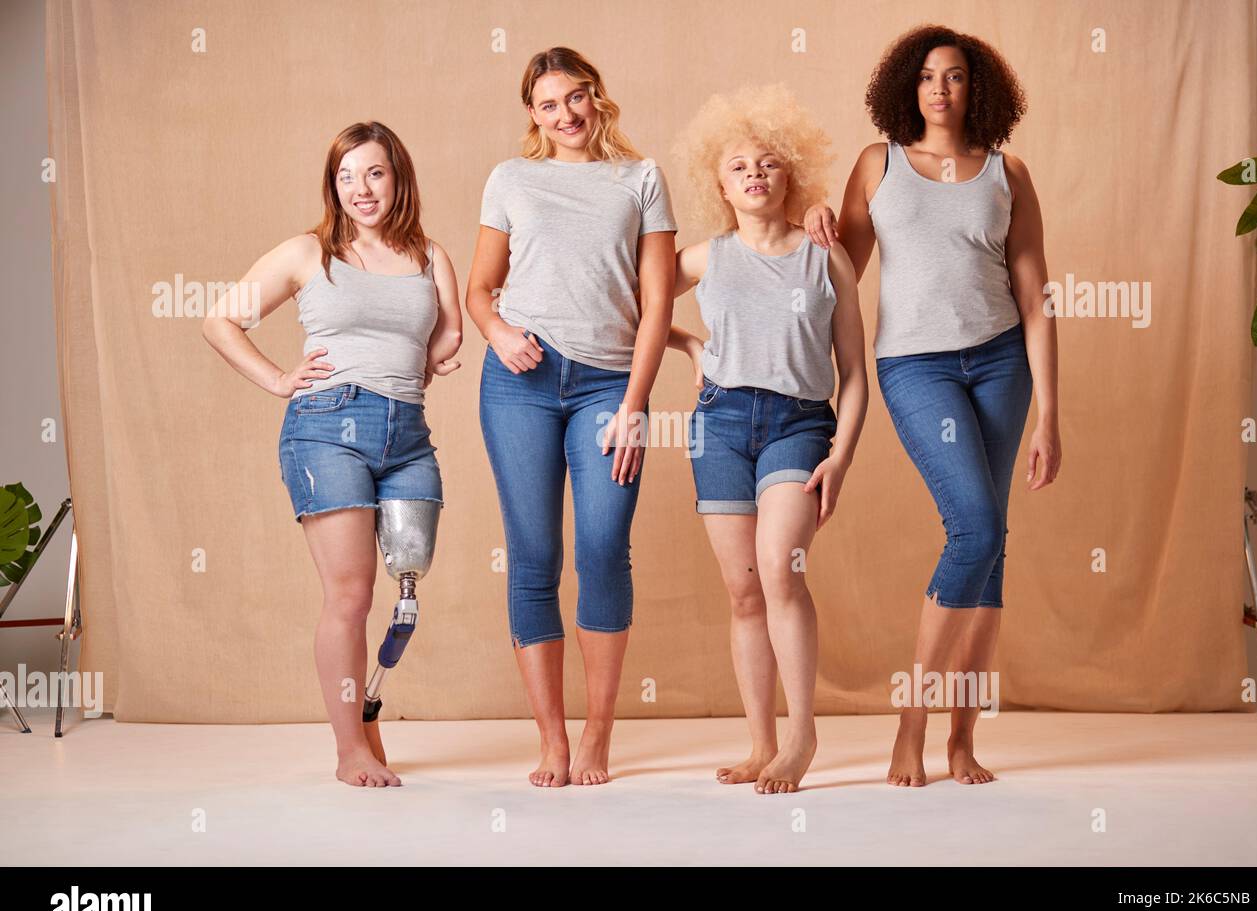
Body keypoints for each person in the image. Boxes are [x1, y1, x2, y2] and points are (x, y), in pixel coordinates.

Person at [805, 24, 1061, 786]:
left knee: (992, 553)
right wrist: (816, 226)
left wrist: (1051, 411)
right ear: (905, 89)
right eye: (926, 78)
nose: (940, 90)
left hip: (1002, 364)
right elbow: (843, 273)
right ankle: (910, 726)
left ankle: (961, 741)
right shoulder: (877, 164)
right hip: (915, 367)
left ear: (975, 88)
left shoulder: (1007, 173)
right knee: (974, 527)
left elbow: (1036, 300)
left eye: (953, 77)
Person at [202, 121, 463, 787]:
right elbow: (220, 320)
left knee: (407, 591)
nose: (361, 189)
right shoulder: (306, 252)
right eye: (346, 176)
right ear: (332, 185)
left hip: (407, 436)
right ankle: (350, 749)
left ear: (396, 176)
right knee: (351, 594)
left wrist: (433, 356)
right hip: (326, 427)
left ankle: (368, 714)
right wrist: (277, 379)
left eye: (374, 173)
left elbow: (451, 326)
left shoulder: (431, 255)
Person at [466, 47, 677, 787]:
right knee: (532, 558)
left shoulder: (641, 178)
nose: (567, 115)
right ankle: (552, 739)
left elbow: (658, 305)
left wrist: (633, 404)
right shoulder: (511, 178)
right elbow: (480, 290)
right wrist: (498, 334)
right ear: (533, 113)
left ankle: (598, 735)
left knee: (602, 547)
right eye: (549, 104)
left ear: (598, 96)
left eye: (577, 97)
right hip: (520, 382)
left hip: (607, 388)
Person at [666, 84, 869, 794]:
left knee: (780, 571)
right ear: (717, 184)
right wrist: (688, 344)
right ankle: (759, 744)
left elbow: (854, 375)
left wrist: (840, 456)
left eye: (768, 164)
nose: (754, 174)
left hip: (799, 424)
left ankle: (801, 736)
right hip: (719, 423)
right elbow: (625, 302)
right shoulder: (704, 258)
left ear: (792, 174)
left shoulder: (826, 257)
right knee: (743, 590)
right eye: (737, 166)